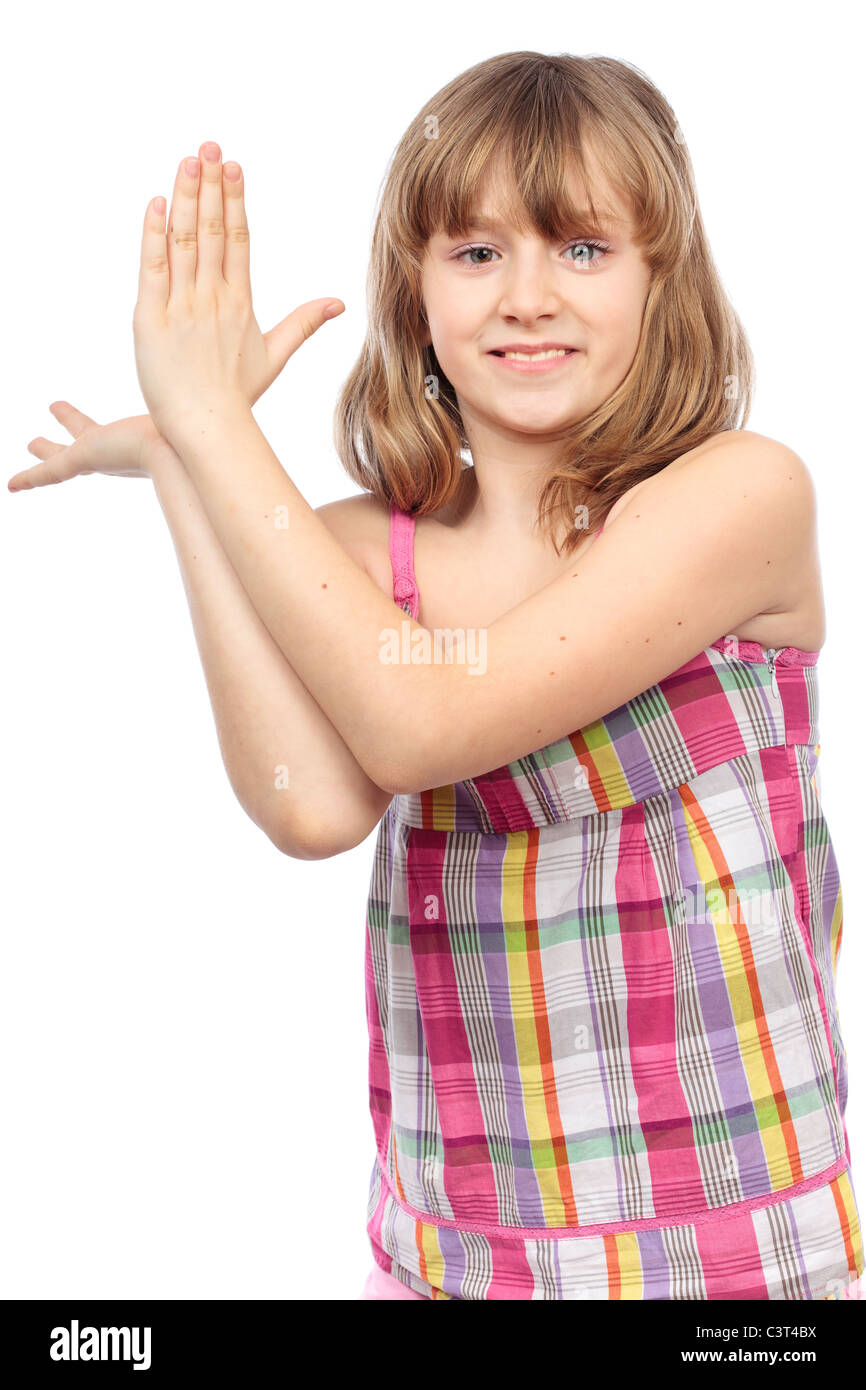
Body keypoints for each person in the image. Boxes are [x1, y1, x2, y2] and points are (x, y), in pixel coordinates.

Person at [12, 51, 863, 1301]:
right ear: (412, 296)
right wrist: (198, 457)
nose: (526, 295)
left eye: (580, 248)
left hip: (730, 1263)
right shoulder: (366, 556)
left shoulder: (733, 499)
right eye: (473, 254)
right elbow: (310, 803)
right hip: (455, 1260)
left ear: (659, 279)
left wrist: (216, 426)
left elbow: (419, 721)